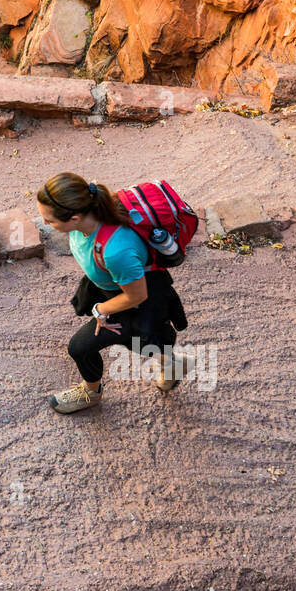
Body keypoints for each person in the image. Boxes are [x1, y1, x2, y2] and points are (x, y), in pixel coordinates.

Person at [36, 173, 188, 414]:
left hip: (133, 299)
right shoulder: (88, 218)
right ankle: (172, 364)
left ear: (74, 218)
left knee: (80, 348)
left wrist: (100, 310)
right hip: (111, 286)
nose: (45, 223)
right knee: (137, 341)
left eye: (49, 220)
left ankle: (90, 393)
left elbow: (137, 296)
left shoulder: (116, 251)